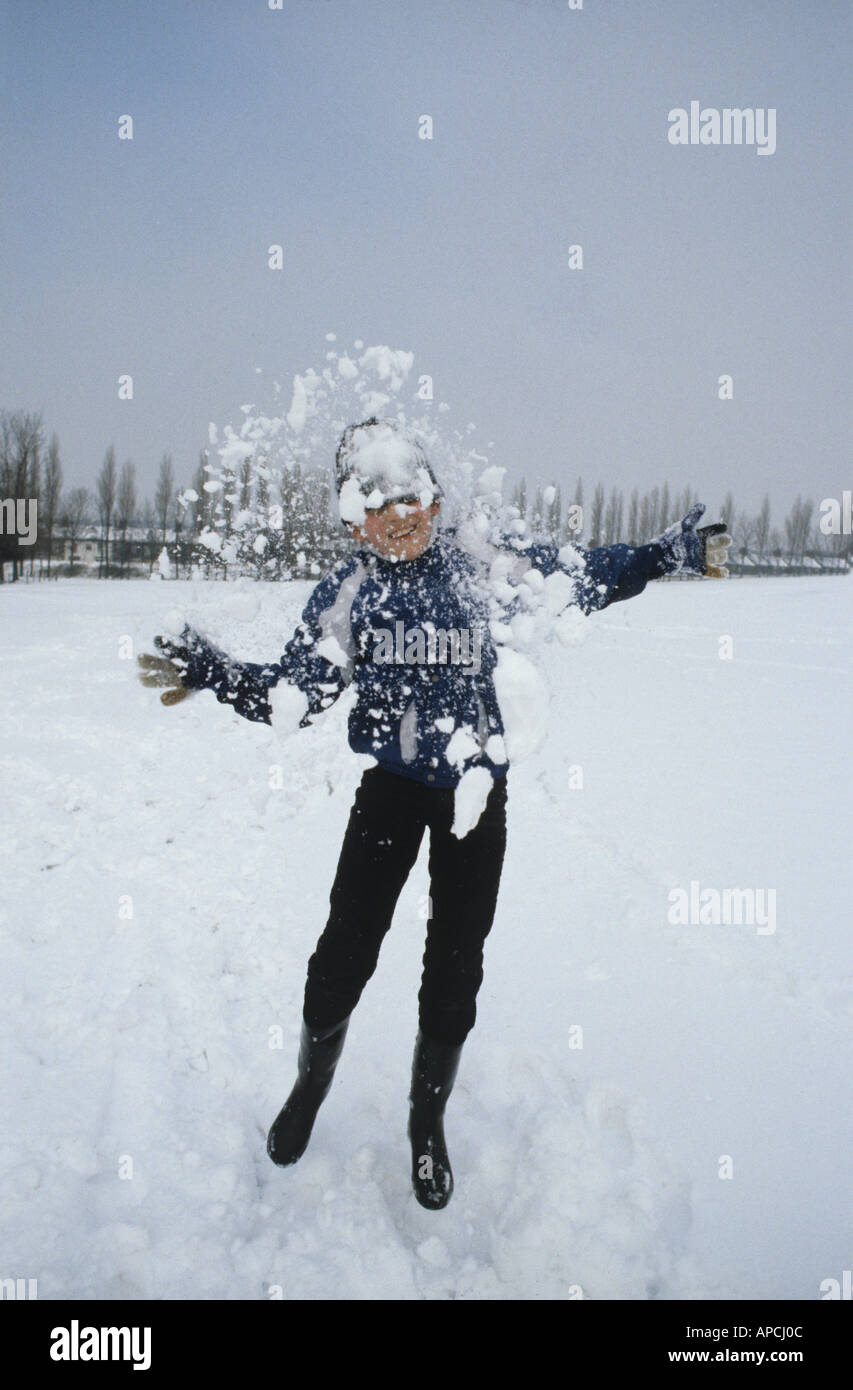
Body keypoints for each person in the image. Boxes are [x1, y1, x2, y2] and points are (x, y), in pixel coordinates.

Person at [137, 418, 730, 1210]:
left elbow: (586, 574)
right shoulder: (349, 593)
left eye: (409, 497)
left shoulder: (485, 564)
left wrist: (667, 553)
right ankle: (309, 1089)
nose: (397, 517)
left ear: (437, 499)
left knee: (455, 967)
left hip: (475, 798)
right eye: (376, 505)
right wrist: (211, 671)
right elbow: (294, 695)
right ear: (353, 518)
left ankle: (426, 1122)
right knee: (340, 956)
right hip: (390, 792)